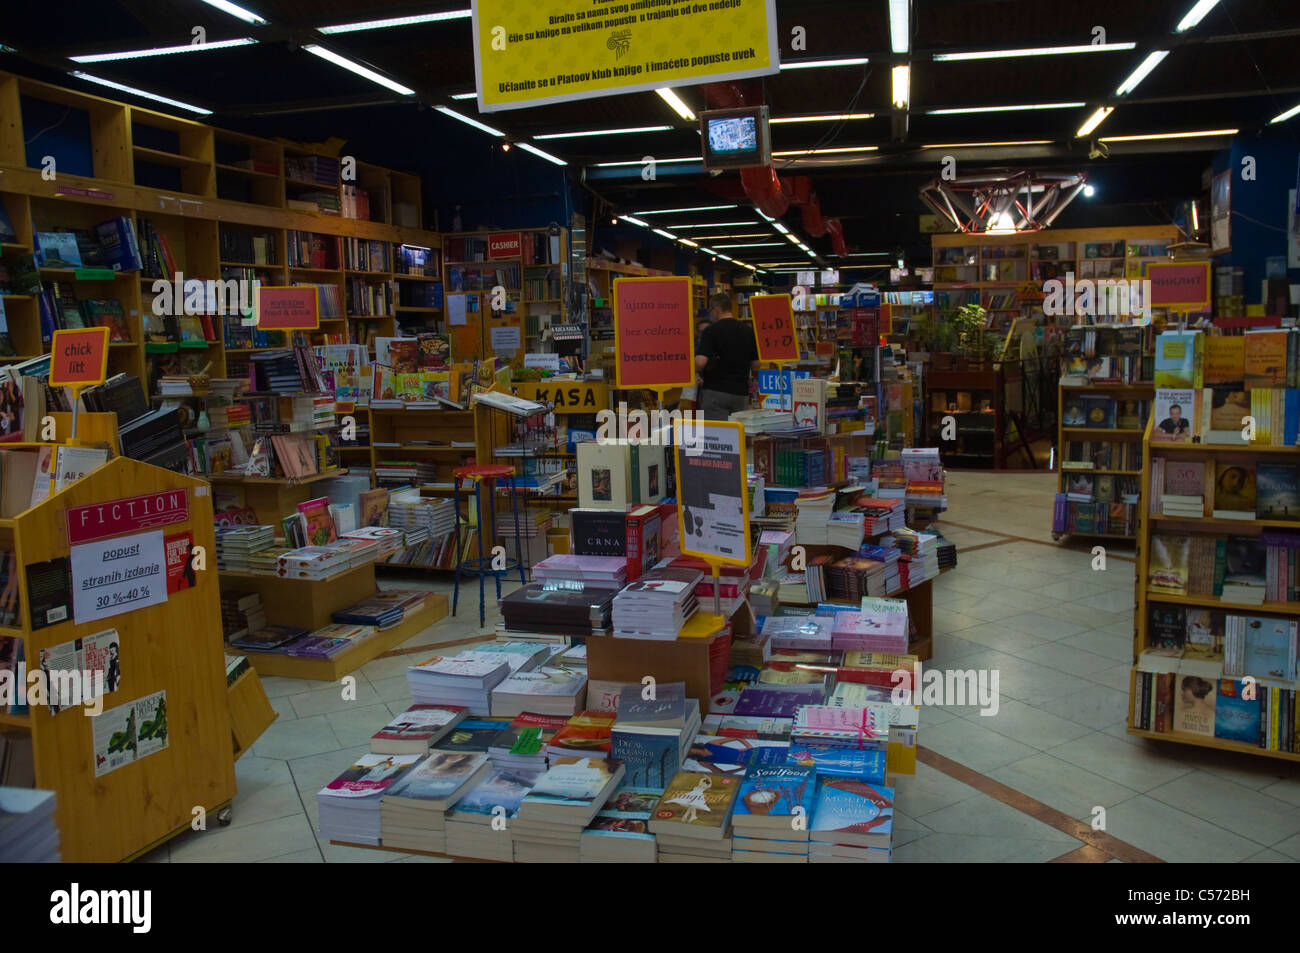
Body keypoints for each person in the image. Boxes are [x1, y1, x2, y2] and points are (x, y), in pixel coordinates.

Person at [695, 293, 758, 421]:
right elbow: (756, 365)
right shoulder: (748, 330)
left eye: (710, 311)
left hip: (715, 392)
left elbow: (700, 363)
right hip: (740, 393)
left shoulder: (711, 331)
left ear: (716, 310)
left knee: (717, 435)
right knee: (738, 434)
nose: (710, 315)